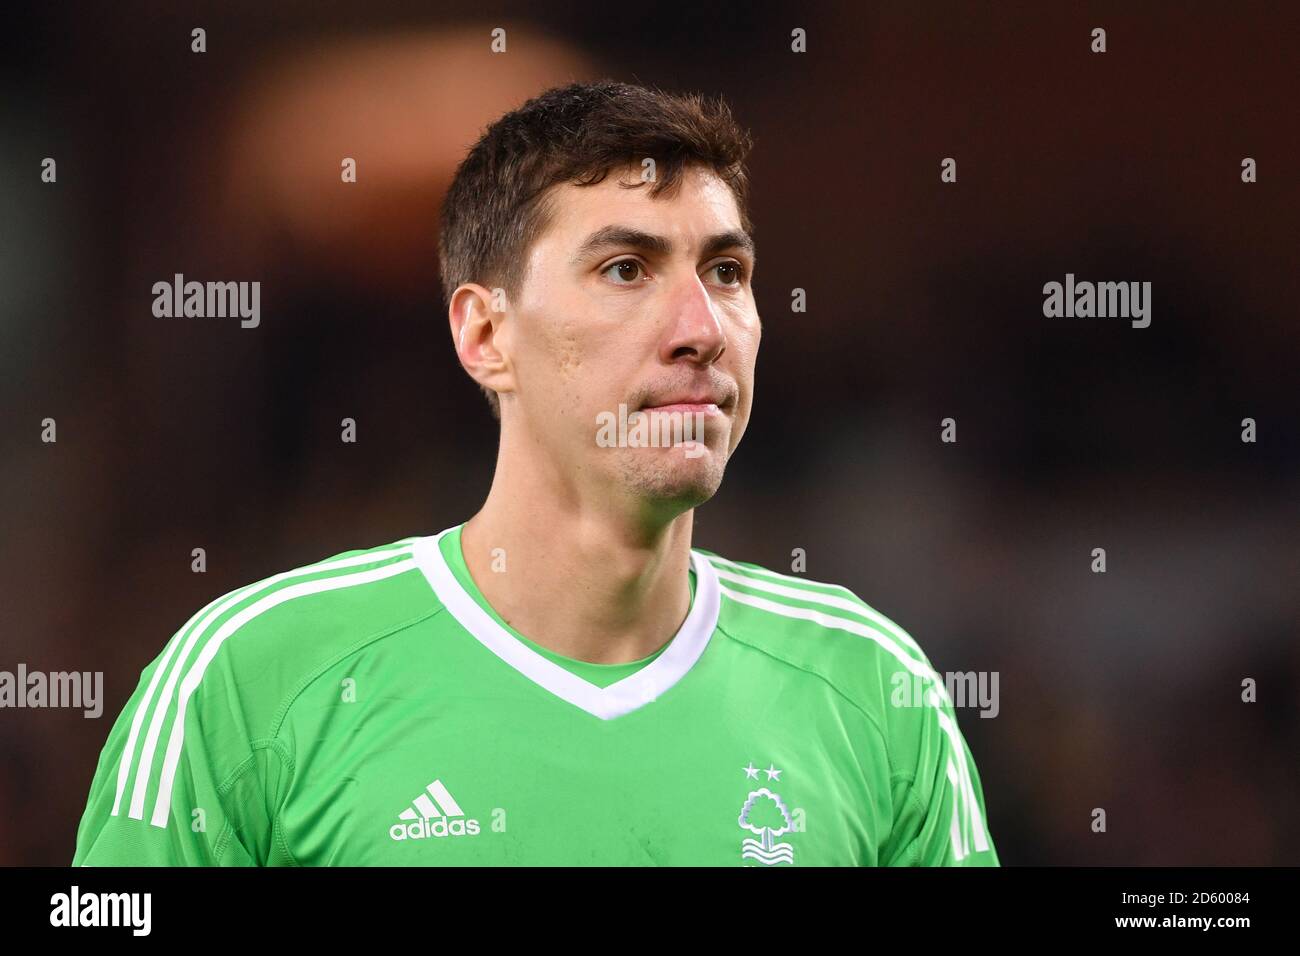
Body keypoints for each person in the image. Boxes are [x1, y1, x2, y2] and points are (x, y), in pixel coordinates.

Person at [73, 80, 997, 866]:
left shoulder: (878, 690)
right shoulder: (247, 679)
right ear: (485, 333)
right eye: (627, 268)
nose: (701, 328)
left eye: (726, 271)